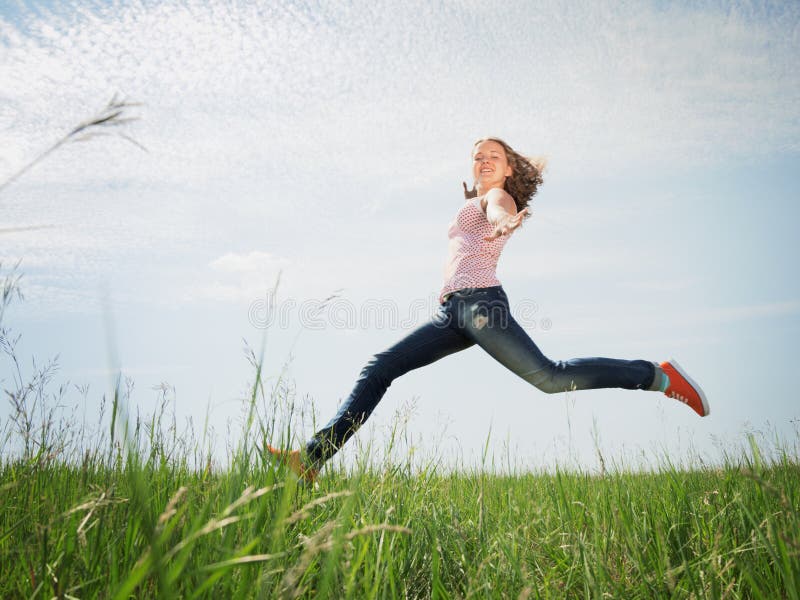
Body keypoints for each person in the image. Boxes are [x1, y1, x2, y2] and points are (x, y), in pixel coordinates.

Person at [267, 137, 709, 482]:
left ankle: (656, 375)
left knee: (550, 378)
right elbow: (479, 213)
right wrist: (476, 203)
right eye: (477, 155)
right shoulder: (473, 201)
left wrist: (502, 219)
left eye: (493, 155)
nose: (483, 159)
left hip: (481, 305)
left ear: (509, 168)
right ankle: (312, 458)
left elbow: (498, 209)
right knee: (381, 367)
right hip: (453, 314)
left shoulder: (498, 199)